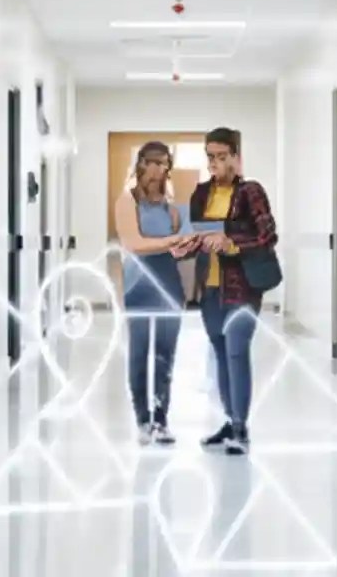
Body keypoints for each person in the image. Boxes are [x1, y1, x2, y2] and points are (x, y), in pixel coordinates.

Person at [189, 127, 278, 456]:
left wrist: (232, 244)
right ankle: (230, 420)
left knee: (237, 352)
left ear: (236, 158)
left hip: (241, 288)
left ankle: (241, 428)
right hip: (210, 289)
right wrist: (182, 244)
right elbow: (197, 238)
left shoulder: (250, 192)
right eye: (210, 157)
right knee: (221, 354)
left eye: (222, 157)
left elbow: (268, 236)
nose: (215, 163)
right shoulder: (201, 194)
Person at [115, 141, 199, 445]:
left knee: (165, 356)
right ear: (140, 165)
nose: (157, 169)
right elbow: (133, 244)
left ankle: (161, 421)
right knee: (139, 354)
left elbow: (179, 251)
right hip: (139, 288)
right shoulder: (127, 202)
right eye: (152, 162)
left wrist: (188, 245)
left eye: (163, 163)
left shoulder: (174, 210)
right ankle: (142, 419)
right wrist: (172, 241)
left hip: (168, 288)